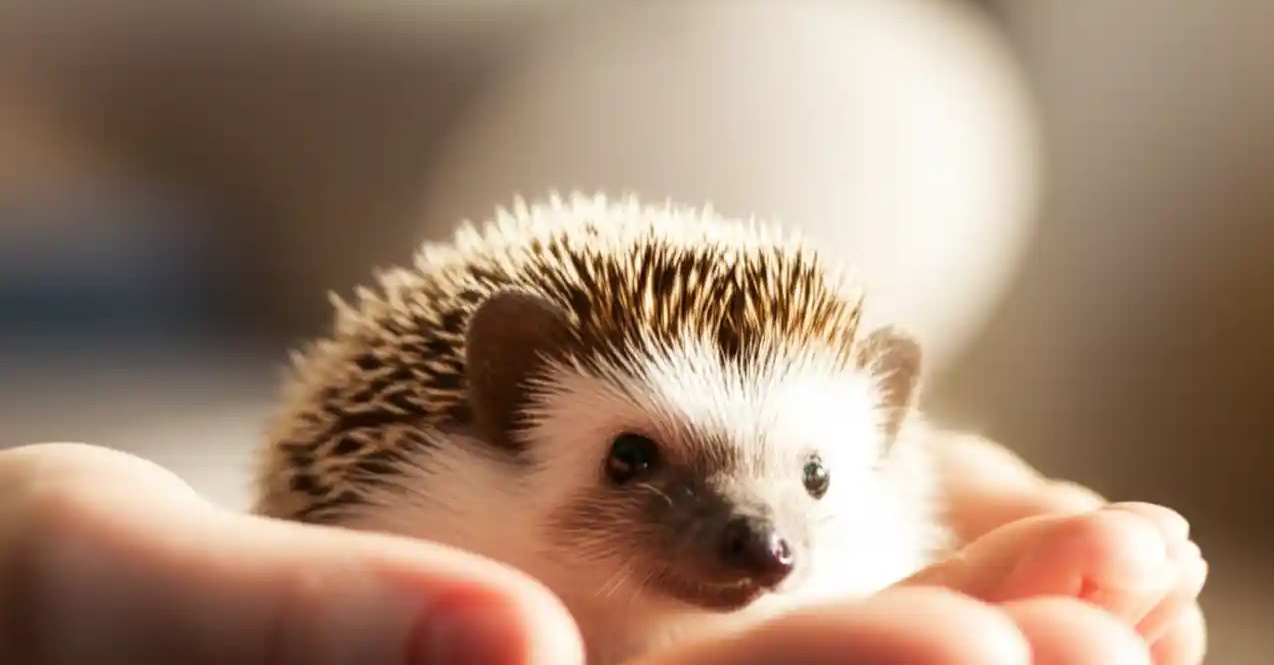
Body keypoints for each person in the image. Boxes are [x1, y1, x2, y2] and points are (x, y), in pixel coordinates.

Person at [0, 431, 1205, 665]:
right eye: (633, 461)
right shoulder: (416, 495)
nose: (757, 531)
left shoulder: (918, 509)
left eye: (815, 476)